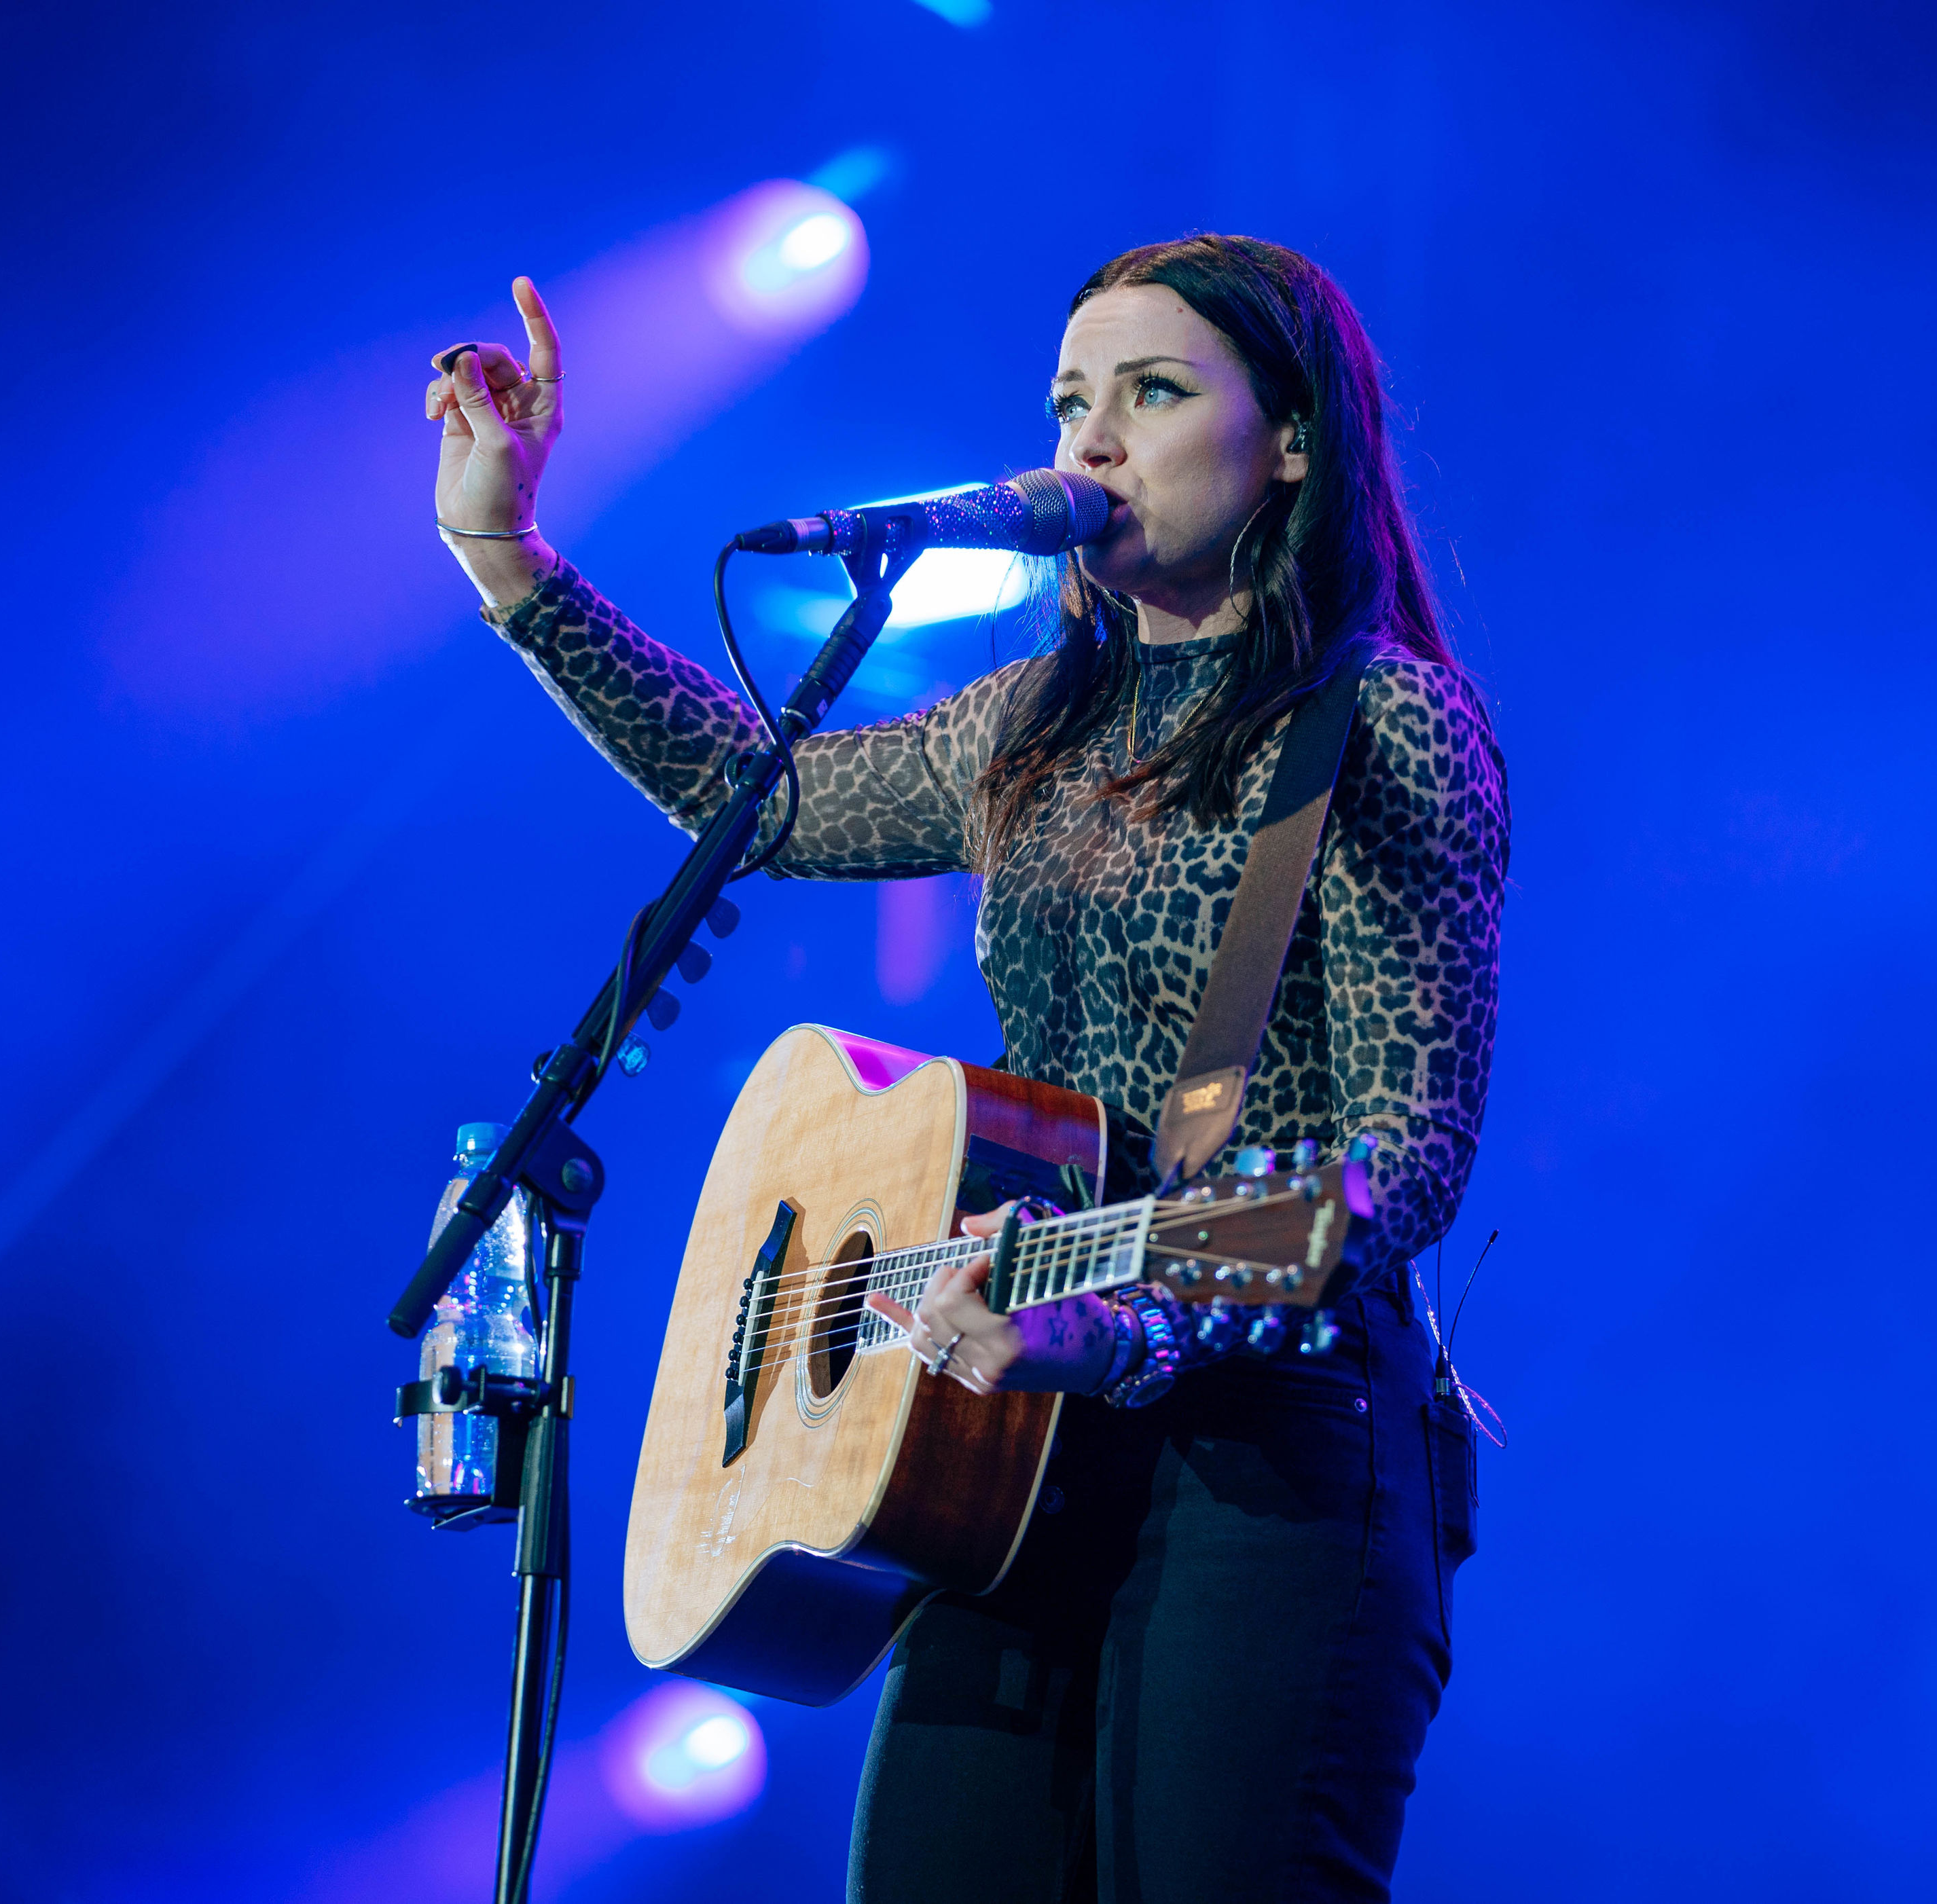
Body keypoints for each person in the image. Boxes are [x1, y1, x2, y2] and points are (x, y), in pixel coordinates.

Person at [423, 234, 1507, 1903]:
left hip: (1270, 1452)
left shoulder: (1383, 727)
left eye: (1152, 394)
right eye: (1073, 400)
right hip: (1007, 1453)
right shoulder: (1035, 725)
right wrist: (509, 556)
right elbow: (757, 791)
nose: (1091, 441)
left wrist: (1129, 1322)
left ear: (1292, 438)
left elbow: (1404, 1157)